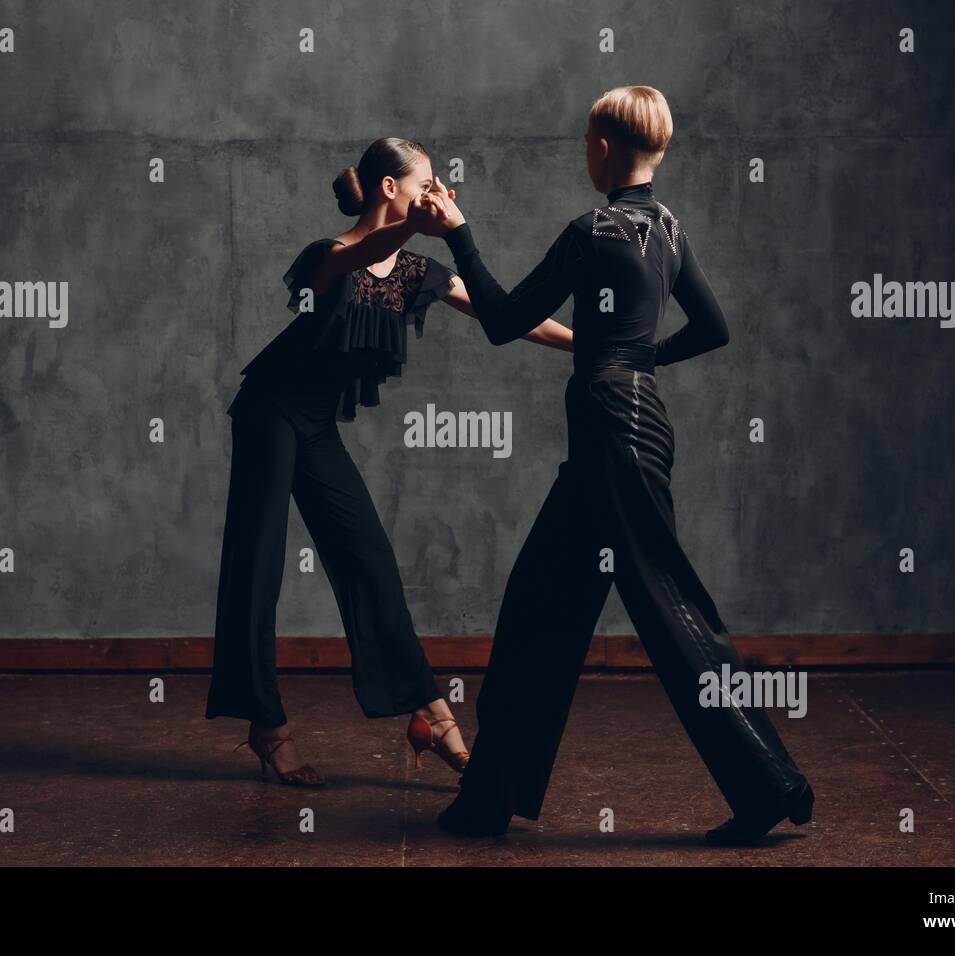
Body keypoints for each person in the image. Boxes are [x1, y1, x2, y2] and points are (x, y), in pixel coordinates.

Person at [409, 87, 814, 844]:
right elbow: (714, 328)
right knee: (539, 606)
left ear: (601, 146)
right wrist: (634, 360)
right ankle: (487, 799)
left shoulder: (593, 228)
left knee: (670, 608)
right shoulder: (669, 227)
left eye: (585, 141)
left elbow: (503, 321)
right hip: (638, 422)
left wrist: (459, 233)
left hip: (606, 428)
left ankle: (771, 786)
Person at [206, 137, 573, 785]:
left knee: (369, 563)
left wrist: (593, 346)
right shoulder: (332, 254)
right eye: (426, 183)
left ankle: (430, 713)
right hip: (269, 412)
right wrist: (415, 226)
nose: (439, 193)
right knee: (256, 567)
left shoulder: (418, 273)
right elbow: (363, 256)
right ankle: (267, 725)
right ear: (388, 189)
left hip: (315, 426)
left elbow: (510, 317)